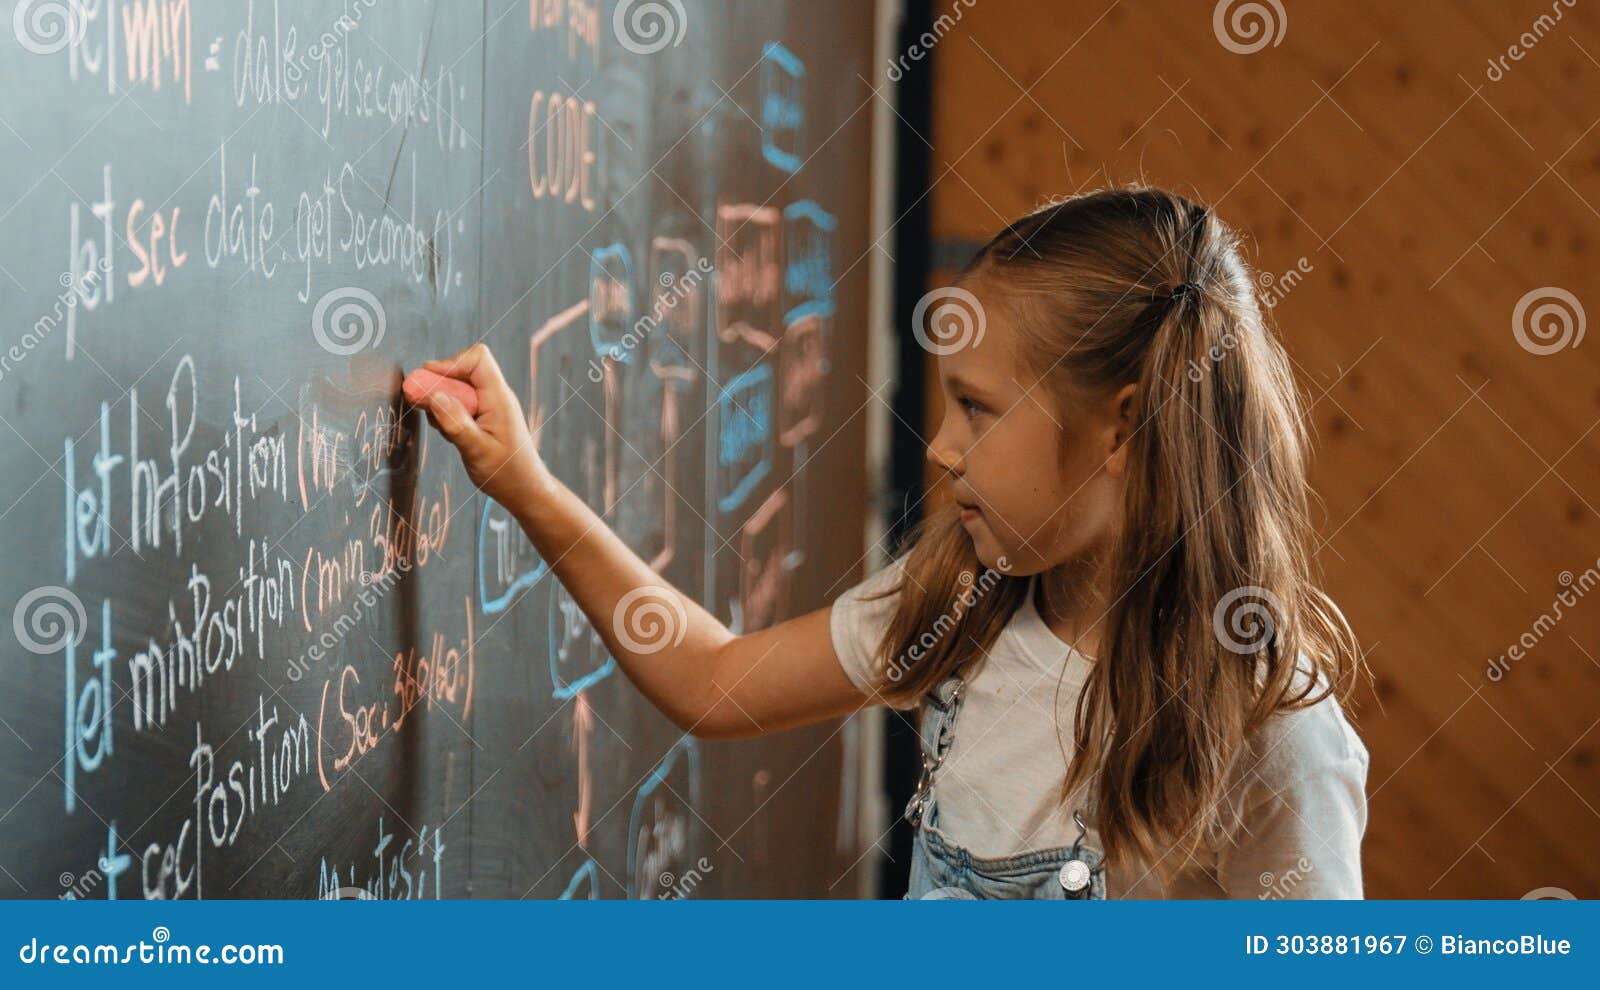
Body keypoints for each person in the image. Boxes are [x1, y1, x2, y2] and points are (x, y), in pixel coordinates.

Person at [410, 185, 1371, 899]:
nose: (945, 448)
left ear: (1122, 428)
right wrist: (524, 486)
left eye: (978, 409)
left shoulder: (1271, 735)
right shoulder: (963, 599)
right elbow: (711, 680)